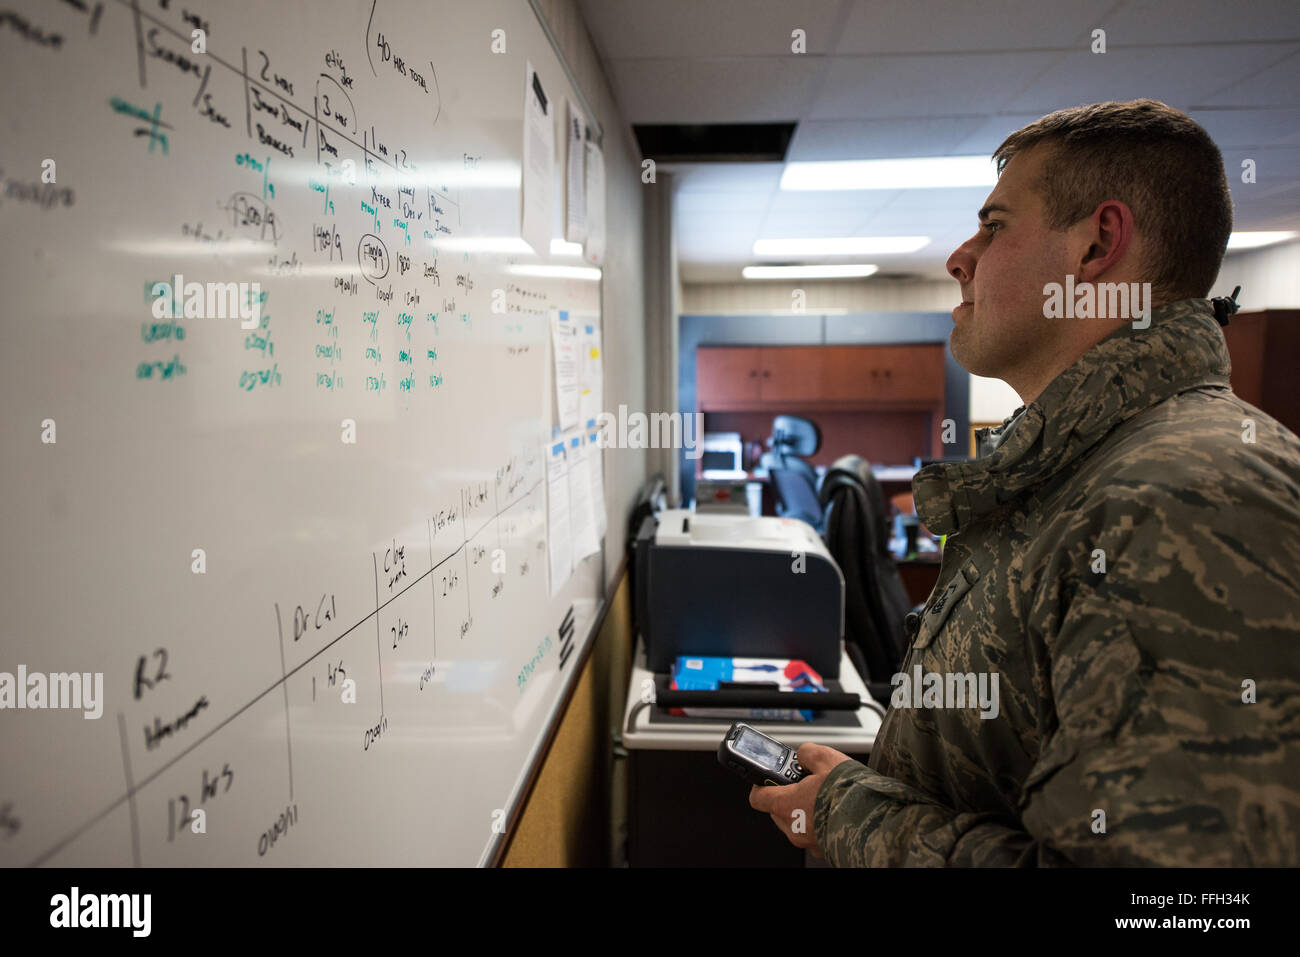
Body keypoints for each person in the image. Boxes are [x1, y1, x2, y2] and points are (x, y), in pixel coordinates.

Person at [750, 99, 1300, 866]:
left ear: (1097, 244)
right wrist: (876, 785)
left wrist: (854, 818)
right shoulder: (1071, 472)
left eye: (995, 225)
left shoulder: (1187, 499)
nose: (960, 256)